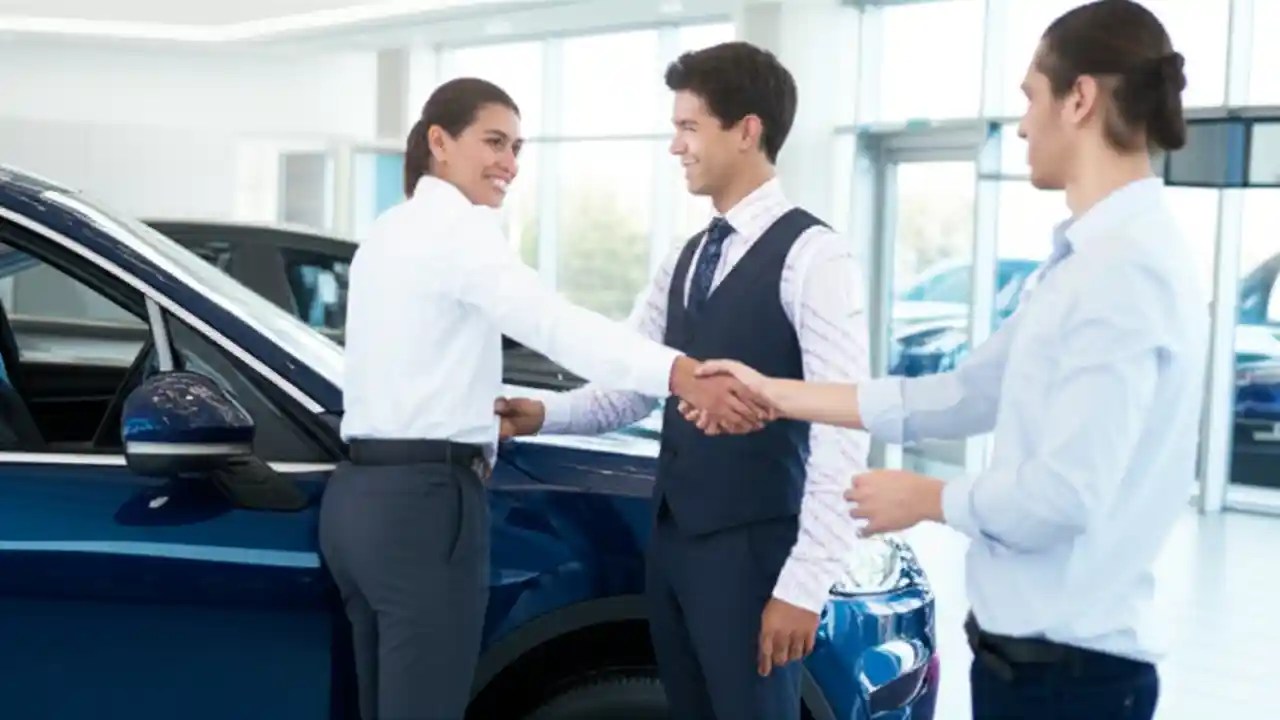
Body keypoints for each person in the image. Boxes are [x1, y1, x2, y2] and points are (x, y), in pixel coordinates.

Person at [690, 2, 1207, 718]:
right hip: (1033, 666)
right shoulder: (1084, 261)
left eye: (1031, 97)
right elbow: (960, 393)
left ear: (1080, 99)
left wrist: (927, 499)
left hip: (1072, 680)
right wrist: (776, 393)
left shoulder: (1125, 272)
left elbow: (1064, 495)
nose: (1023, 125)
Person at [318, 77, 770, 720]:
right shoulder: (458, 230)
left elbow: (416, 362)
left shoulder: (388, 233)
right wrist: (679, 373)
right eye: (494, 142)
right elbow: (553, 323)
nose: (510, 163)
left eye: (518, 147)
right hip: (424, 505)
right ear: (439, 142)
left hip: (358, 501)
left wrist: (526, 409)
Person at [495, 42, 870, 720]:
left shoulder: (816, 256)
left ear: (747, 131)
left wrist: (806, 585)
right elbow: (633, 384)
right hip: (673, 548)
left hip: (755, 553)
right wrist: (540, 414)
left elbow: (844, 425)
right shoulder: (687, 256)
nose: (675, 147)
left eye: (689, 127)